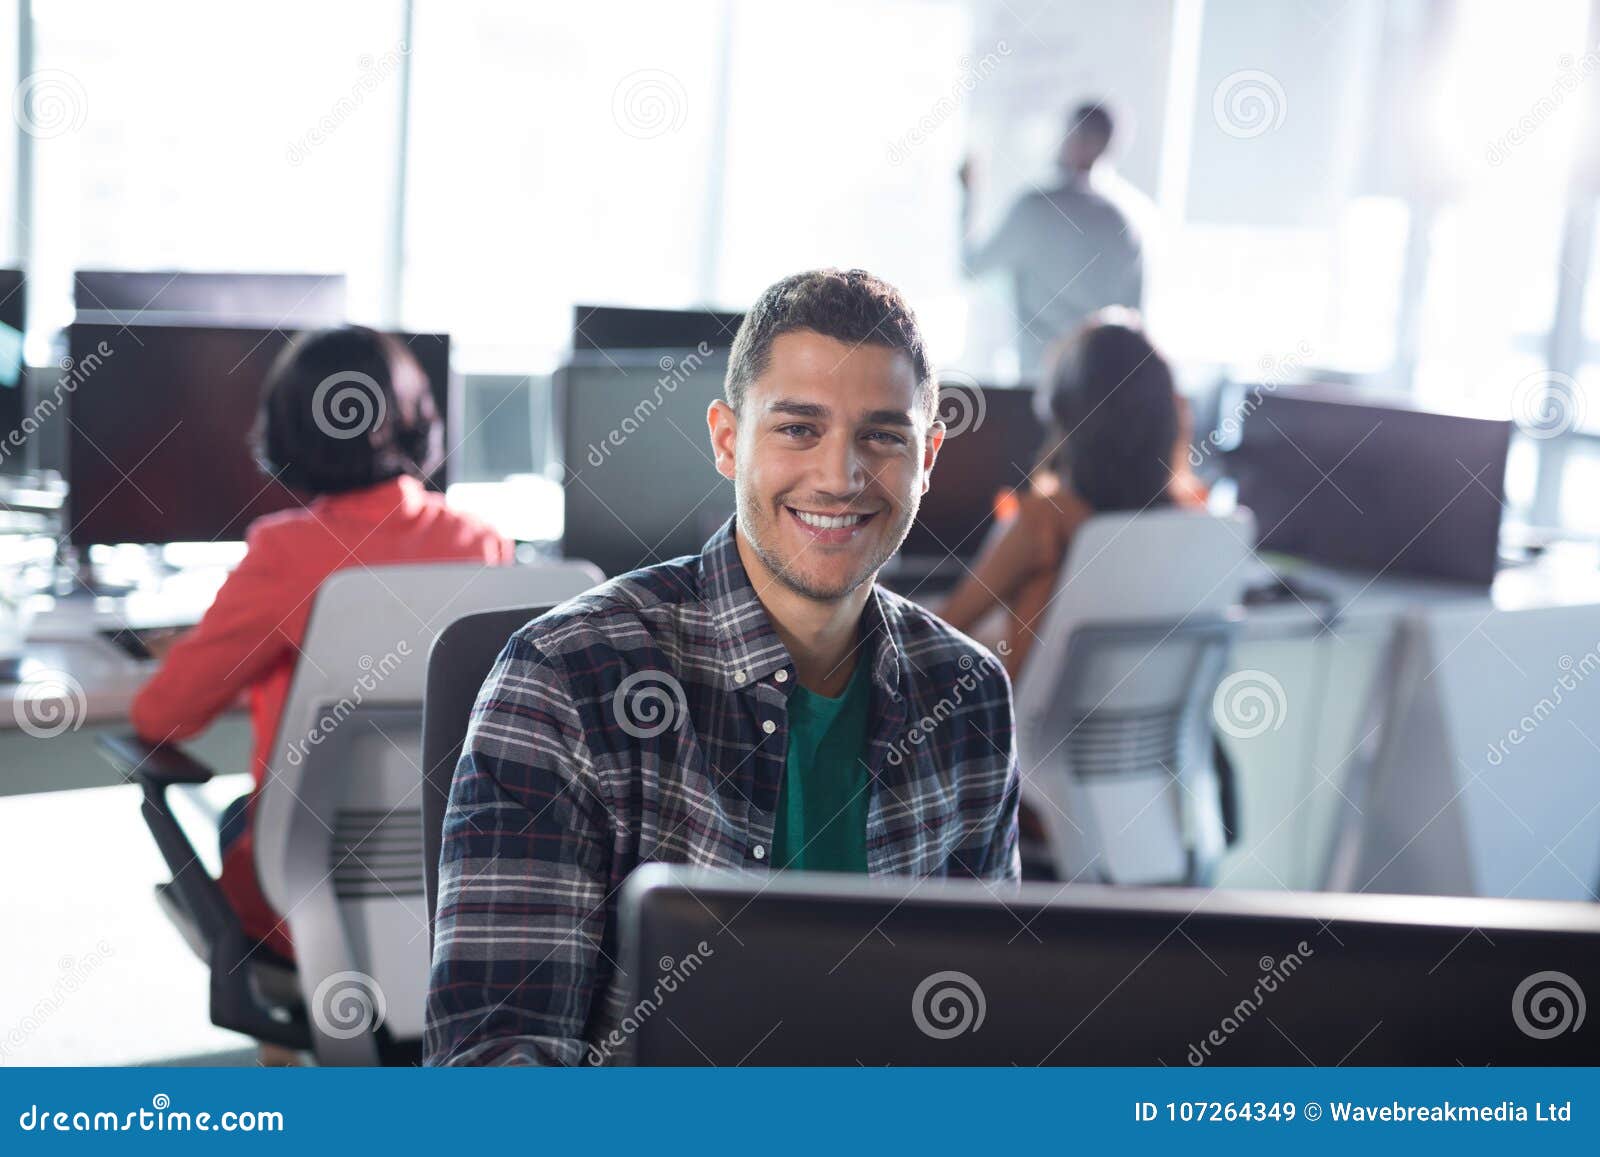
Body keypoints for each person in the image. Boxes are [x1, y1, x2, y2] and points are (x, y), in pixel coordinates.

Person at [425, 269, 1021, 1066]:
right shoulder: (566, 677)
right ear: (726, 439)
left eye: (883, 435)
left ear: (929, 456)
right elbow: (493, 1061)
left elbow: (991, 1031)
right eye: (798, 429)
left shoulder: (967, 693)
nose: (841, 477)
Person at [130, 326, 512, 1055]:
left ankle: (294, 1059)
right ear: (418, 418)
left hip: (304, 896)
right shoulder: (483, 544)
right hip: (454, 888)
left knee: (239, 821)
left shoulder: (286, 549)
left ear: (286, 429)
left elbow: (165, 715)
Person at [936, 310, 1206, 681]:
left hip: (1032, 736)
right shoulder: (1189, 529)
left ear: (1064, 417)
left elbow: (939, 630)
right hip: (1152, 740)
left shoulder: (1045, 522)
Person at [960, 100, 1147, 397]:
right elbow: (1135, 323)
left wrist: (968, 194)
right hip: (1099, 396)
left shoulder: (1036, 208)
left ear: (1080, 139)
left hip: (1036, 390)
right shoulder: (1128, 224)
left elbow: (969, 267)